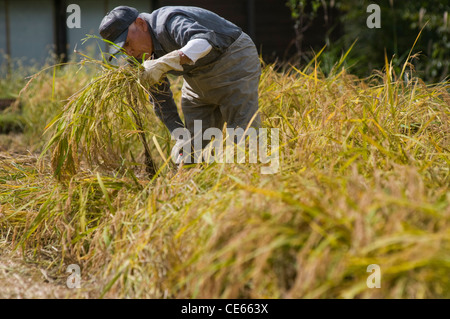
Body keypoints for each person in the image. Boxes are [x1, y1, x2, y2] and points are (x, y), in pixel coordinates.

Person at [99, 5, 261, 164]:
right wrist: (178, 134)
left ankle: (248, 178)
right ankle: (192, 185)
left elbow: (204, 42)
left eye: (127, 43)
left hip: (233, 62)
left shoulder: (168, 22)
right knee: (192, 146)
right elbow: (159, 98)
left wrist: (164, 63)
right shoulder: (138, 56)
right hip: (196, 78)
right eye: (122, 49)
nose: (129, 52)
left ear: (141, 24)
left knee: (243, 135)